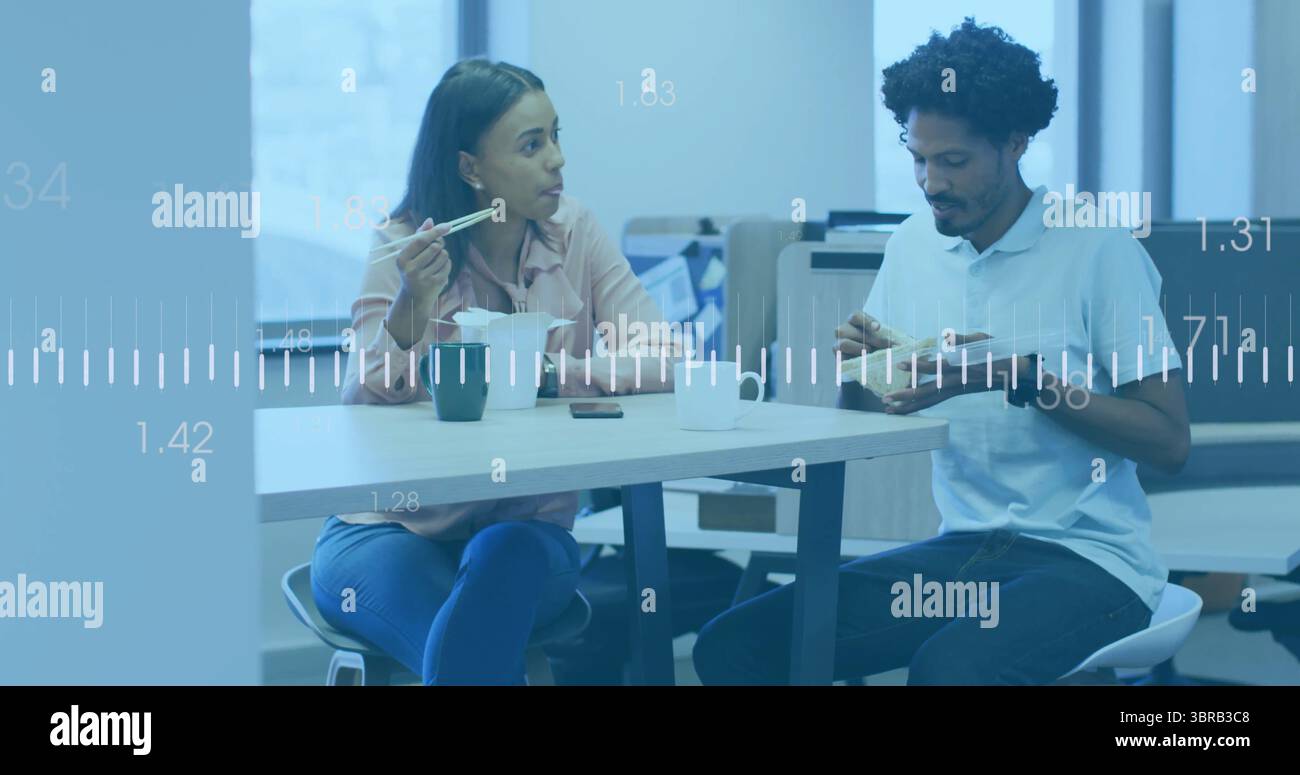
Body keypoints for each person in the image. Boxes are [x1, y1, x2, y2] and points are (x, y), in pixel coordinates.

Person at [693, 18, 1191, 685]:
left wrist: (1020, 377)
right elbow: (871, 423)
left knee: (952, 671)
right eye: (919, 158)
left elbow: (1168, 440)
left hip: (1092, 562)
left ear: (1014, 145)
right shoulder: (912, 247)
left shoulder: (1097, 248)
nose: (930, 182)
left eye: (953, 161)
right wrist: (862, 367)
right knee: (739, 643)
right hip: (965, 553)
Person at [311, 59, 675, 685]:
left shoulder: (576, 233)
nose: (556, 160)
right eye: (532, 145)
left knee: (498, 572)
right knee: (476, 655)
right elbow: (361, 407)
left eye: (556, 136)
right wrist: (412, 304)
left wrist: (550, 374)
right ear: (469, 169)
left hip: (525, 534)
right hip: (389, 531)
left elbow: (663, 356)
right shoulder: (403, 243)